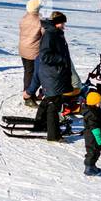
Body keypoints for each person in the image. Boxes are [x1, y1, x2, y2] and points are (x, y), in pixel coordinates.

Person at [32, 12, 75, 142]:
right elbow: (45, 56)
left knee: (51, 100)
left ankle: (40, 123)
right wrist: (61, 59)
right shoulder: (50, 34)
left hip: (56, 74)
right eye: (62, 23)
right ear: (57, 22)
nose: (64, 26)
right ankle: (53, 135)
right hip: (52, 75)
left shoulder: (56, 33)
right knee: (54, 104)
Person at [18, 0, 43, 103]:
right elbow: (45, 35)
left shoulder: (24, 18)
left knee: (28, 72)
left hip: (23, 49)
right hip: (33, 51)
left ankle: (28, 94)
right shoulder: (39, 21)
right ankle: (28, 97)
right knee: (34, 74)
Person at [82, 90, 101, 176]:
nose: (100, 104)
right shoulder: (92, 114)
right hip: (92, 135)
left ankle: (92, 165)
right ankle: (88, 167)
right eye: (99, 102)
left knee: (96, 151)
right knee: (92, 151)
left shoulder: (94, 109)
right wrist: (98, 138)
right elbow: (94, 127)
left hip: (93, 133)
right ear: (93, 103)